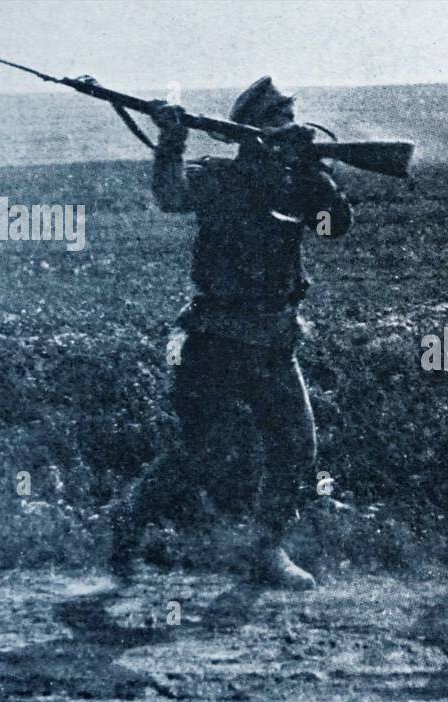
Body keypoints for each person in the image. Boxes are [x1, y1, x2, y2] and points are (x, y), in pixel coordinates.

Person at [109, 77, 353, 588]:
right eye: (277, 116)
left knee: (295, 446)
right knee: (206, 451)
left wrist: (319, 176)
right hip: (216, 337)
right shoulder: (223, 176)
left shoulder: (299, 180)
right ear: (250, 131)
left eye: (291, 113)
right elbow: (172, 195)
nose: (290, 123)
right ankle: (130, 523)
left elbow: (334, 228)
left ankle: (267, 551)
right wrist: (172, 139)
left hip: (274, 338)